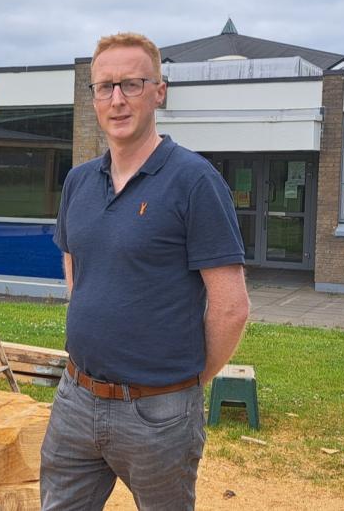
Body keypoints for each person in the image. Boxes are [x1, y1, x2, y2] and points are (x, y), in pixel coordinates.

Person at [40, 33, 250, 510]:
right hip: (76, 399)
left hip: (159, 413)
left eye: (131, 85)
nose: (116, 100)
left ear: (159, 91)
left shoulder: (195, 181)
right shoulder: (78, 182)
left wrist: (184, 386)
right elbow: (77, 268)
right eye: (104, 87)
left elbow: (231, 307)